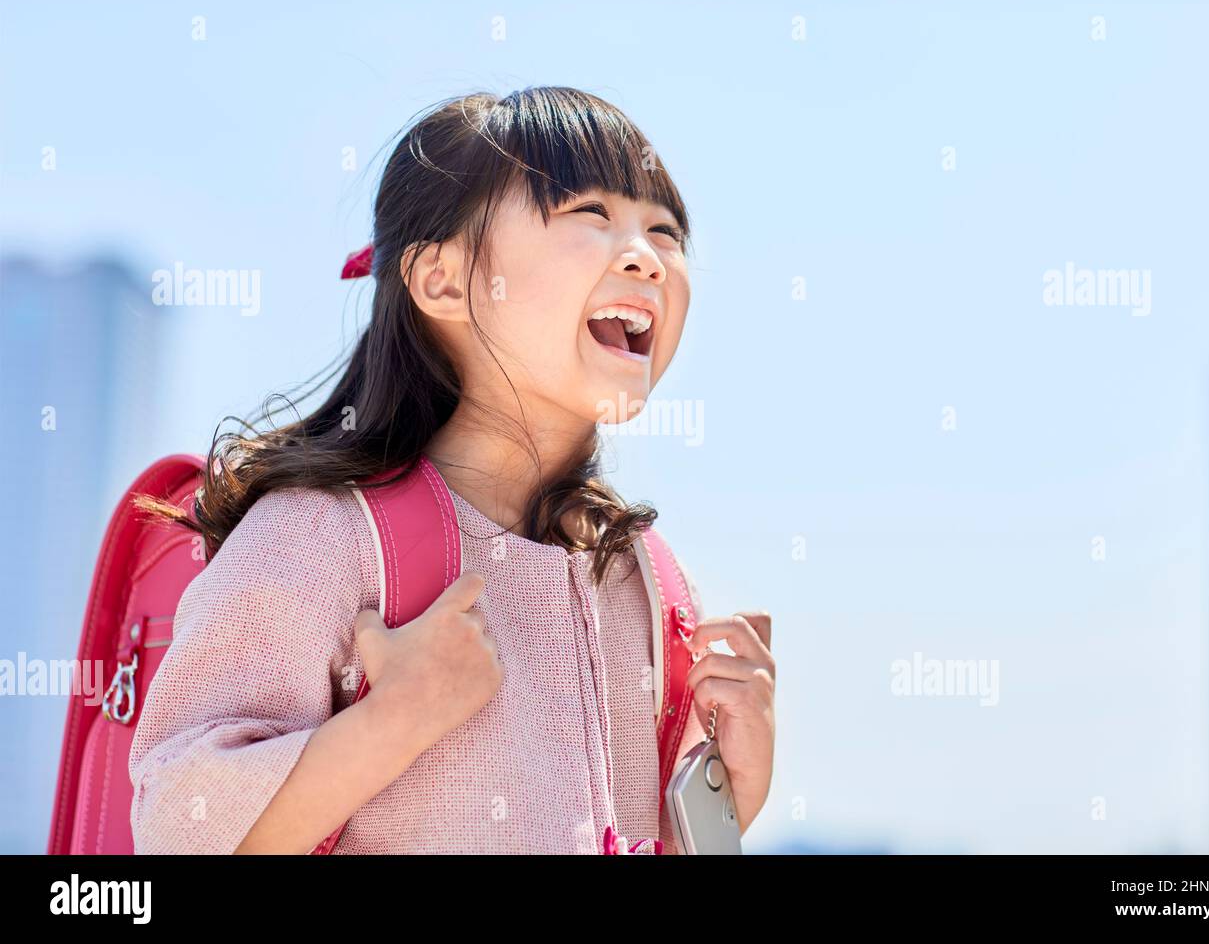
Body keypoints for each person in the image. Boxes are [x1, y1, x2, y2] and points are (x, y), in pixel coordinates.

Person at [127, 86, 776, 854]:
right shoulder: (323, 536)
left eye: (666, 232)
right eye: (591, 216)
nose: (647, 257)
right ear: (442, 280)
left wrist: (727, 799)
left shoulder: (653, 585)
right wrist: (390, 723)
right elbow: (176, 825)